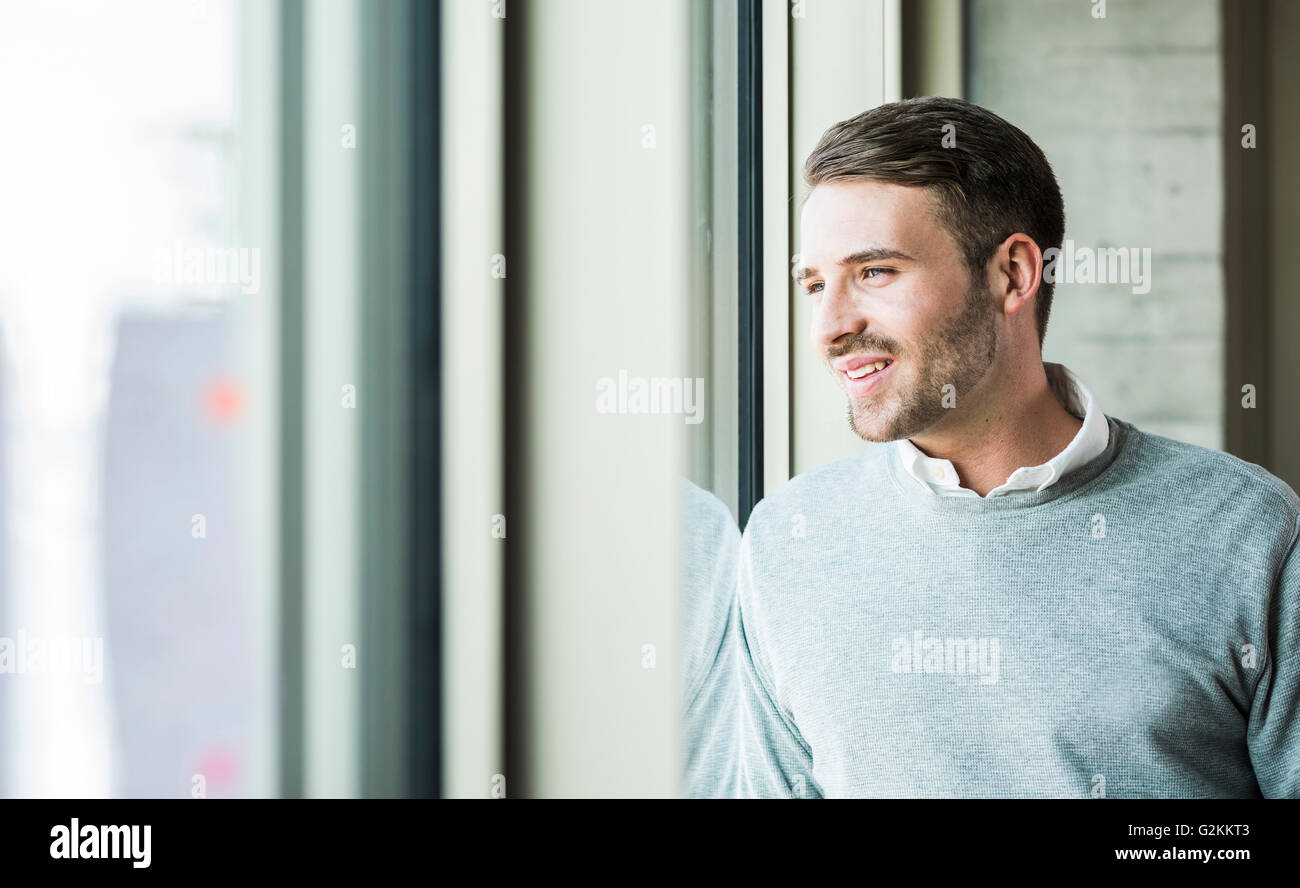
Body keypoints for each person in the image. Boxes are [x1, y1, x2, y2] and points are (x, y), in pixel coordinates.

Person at [731, 96, 1300, 798]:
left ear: (1014, 275)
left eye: (874, 272)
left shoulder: (1250, 532)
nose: (830, 326)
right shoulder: (788, 540)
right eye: (815, 284)